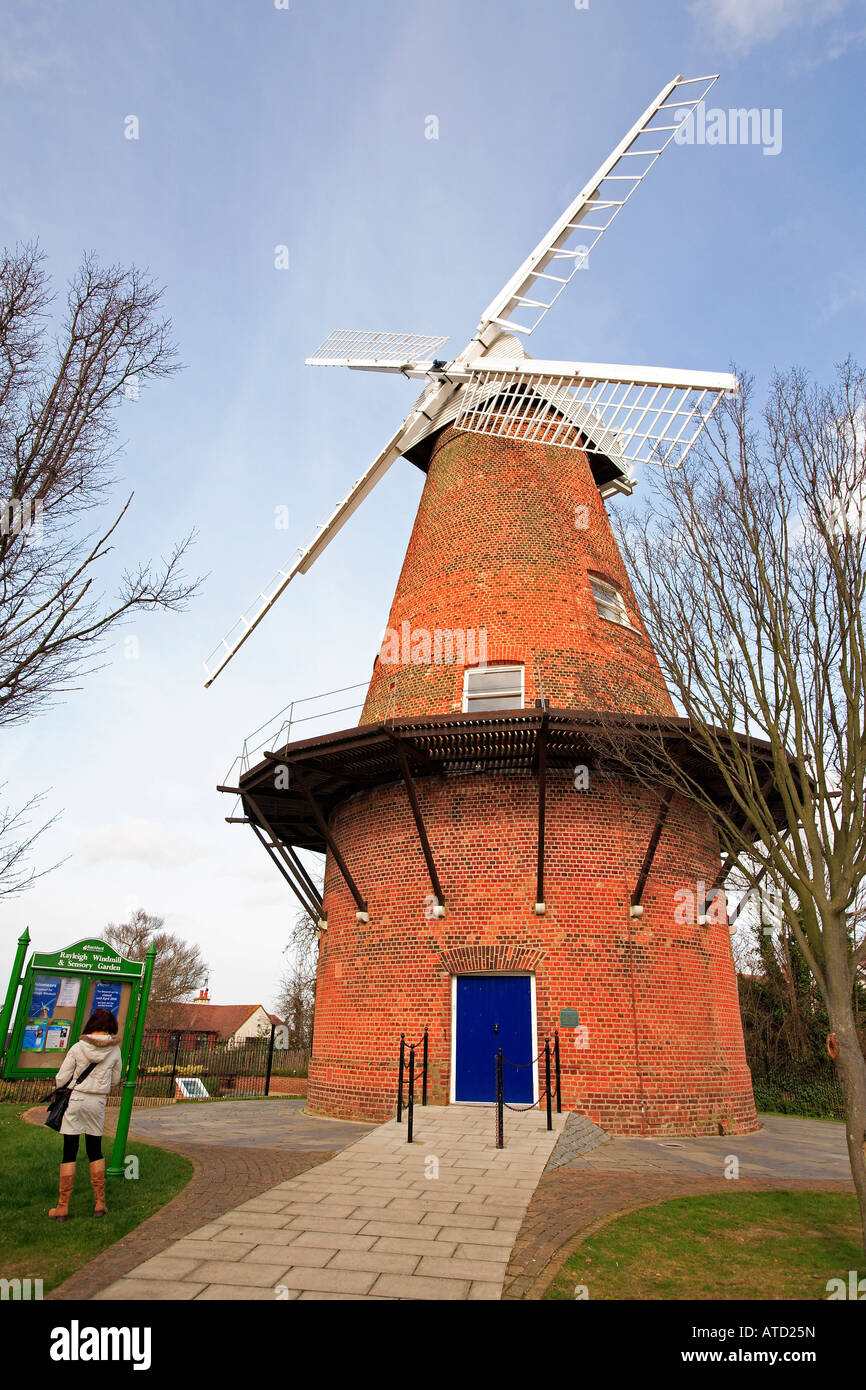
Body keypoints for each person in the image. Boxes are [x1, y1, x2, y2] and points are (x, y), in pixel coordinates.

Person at [48, 1008, 123, 1221]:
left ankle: (62, 1206)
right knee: (94, 1150)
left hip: (76, 1098)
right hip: (97, 1102)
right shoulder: (114, 1050)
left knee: (69, 1151)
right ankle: (100, 1203)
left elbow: (62, 1077)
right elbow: (116, 1079)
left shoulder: (78, 1047)